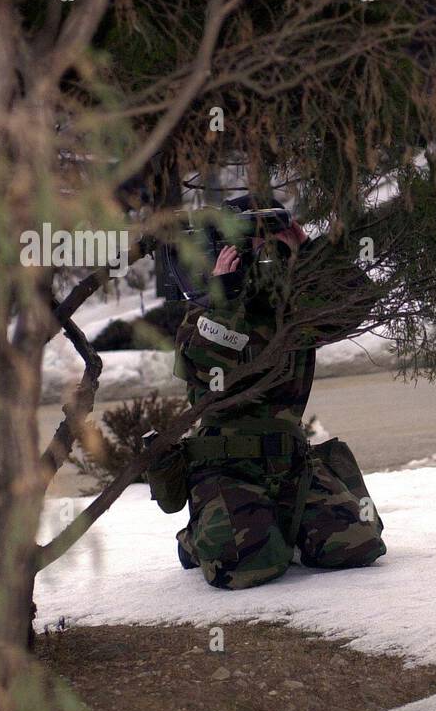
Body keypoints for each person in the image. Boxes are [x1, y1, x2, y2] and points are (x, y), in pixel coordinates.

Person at [149, 196, 386, 589]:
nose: (262, 253)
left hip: (292, 464)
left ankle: (283, 524)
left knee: (358, 546)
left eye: (267, 242)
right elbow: (202, 367)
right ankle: (197, 539)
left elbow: (358, 305)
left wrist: (308, 251)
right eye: (252, 243)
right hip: (227, 466)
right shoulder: (206, 311)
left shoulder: (293, 313)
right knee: (243, 568)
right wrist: (225, 295)